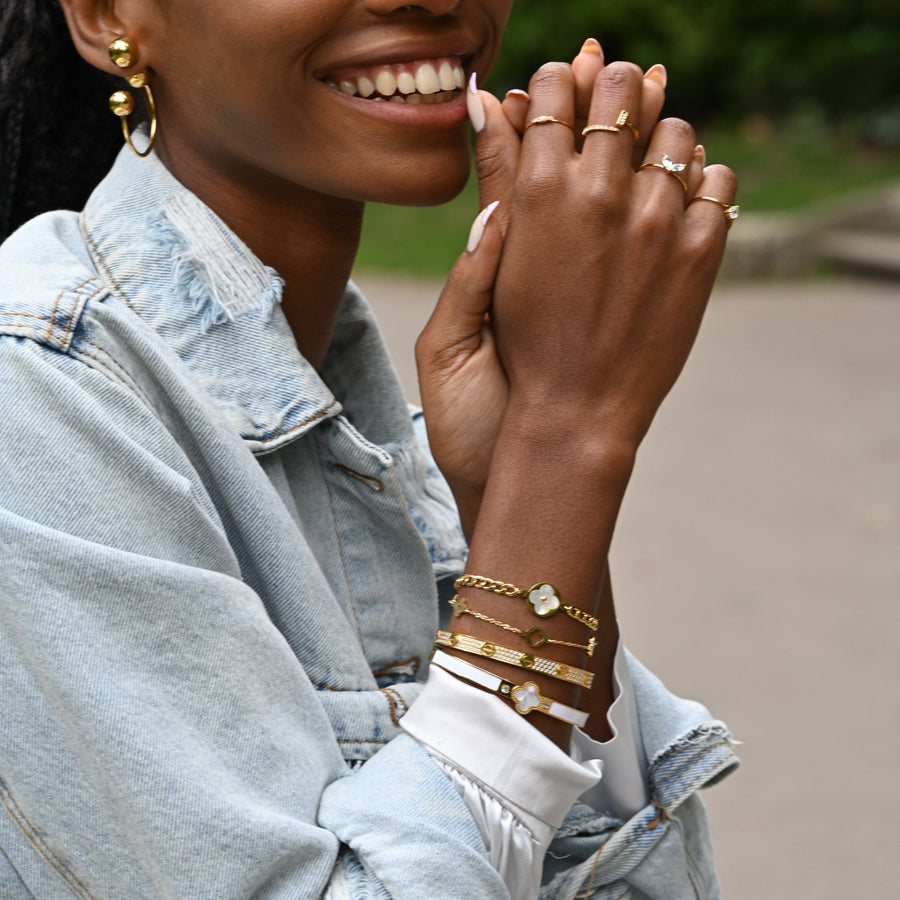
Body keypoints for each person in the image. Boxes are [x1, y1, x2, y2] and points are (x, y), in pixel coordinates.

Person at [0, 0, 740, 897]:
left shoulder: (385, 435)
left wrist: (514, 488)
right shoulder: (31, 401)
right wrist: (567, 438)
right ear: (107, 14)